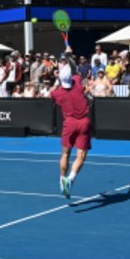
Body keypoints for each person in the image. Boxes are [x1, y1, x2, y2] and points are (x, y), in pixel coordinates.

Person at [50, 60, 91, 199]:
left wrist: (57, 80)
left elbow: (52, 92)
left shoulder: (56, 94)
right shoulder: (78, 83)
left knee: (65, 154)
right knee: (81, 155)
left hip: (69, 124)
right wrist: (69, 55)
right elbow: (74, 69)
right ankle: (71, 179)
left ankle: (62, 181)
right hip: (83, 123)